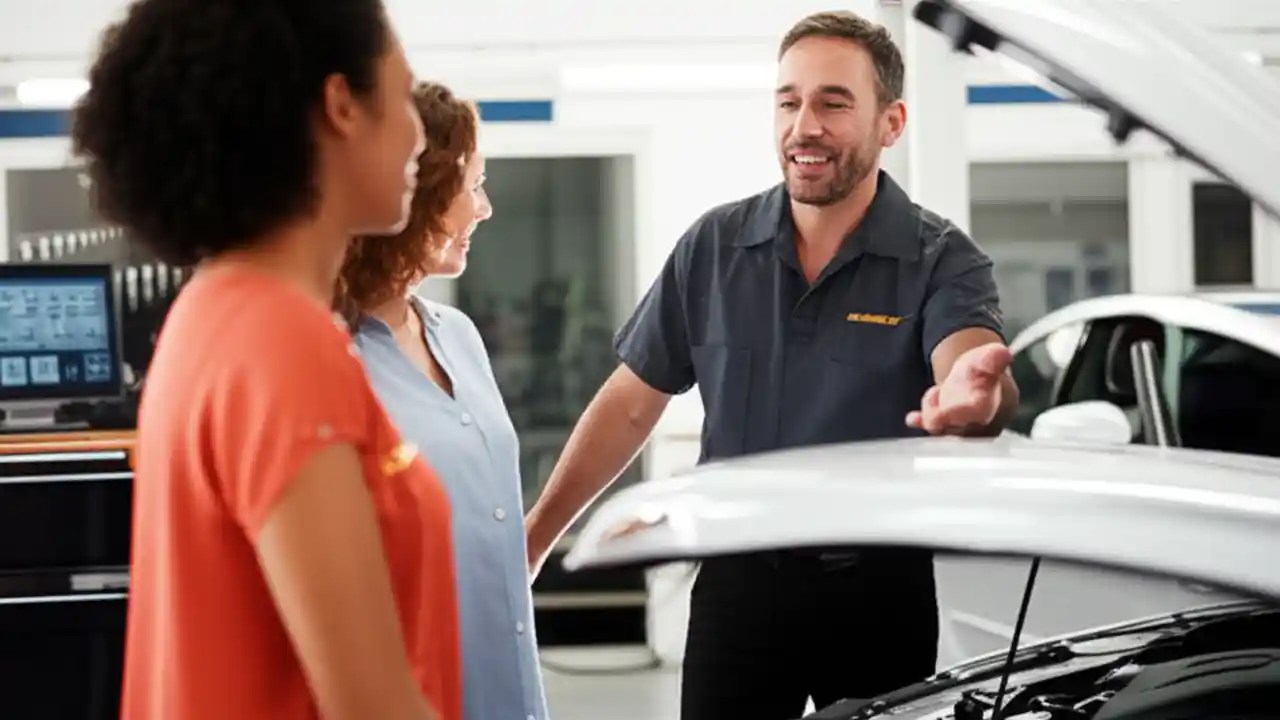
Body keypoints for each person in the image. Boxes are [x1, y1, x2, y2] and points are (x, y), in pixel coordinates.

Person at [524, 10, 1019, 720]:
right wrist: (539, 535)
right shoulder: (715, 249)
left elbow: (971, 369)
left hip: (878, 595)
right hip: (739, 592)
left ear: (892, 122)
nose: (804, 126)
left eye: (833, 103)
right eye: (788, 102)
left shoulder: (940, 258)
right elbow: (633, 400)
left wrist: (977, 400)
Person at [70, 2, 461, 719]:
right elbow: (373, 707)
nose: (418, 137)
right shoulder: (282, 344)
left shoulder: (209, 312)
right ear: (342, 105)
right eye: (402, 94)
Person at [334, 81, 550, 720]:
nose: (483, 209)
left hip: (509, 685)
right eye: (472, 186)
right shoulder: (331, 355)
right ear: (416, 192)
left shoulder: (457, 336)